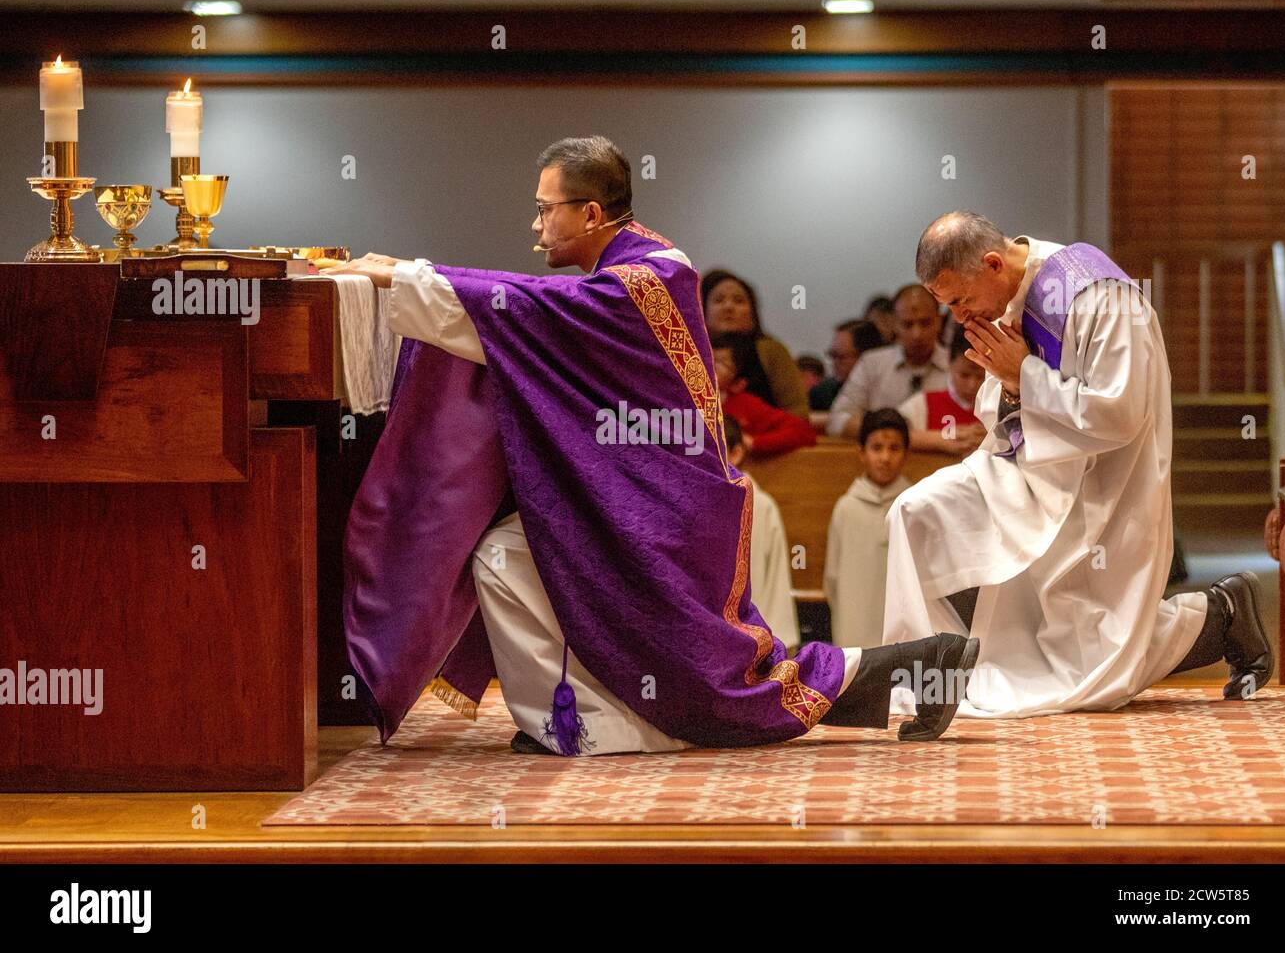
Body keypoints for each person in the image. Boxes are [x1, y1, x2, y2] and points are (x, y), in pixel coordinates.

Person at [329, 136, 980, 754]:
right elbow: (540, 313)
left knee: (716, 677)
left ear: (588, 213)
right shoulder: (633, 271)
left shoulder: (644, 279)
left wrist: (411, 278)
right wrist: (417, 279)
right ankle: (924, 662)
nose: (534, 225)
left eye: (542, 210)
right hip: (645, 495)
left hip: (662, 509)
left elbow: (530, 312)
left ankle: (584, 726)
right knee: (509, 555)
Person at [882, 210, 1272, 720]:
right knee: (912, 514)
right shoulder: (1005, 299)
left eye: (958, 300)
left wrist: (1021, 374)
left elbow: (1120, 413)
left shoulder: (1098, 296)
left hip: (1102, 482)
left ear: (994, 264)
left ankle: (1219, 615)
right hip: (1026, 466)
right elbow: (997, 402)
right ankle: (929, 679)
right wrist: (1011, 382)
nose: (958, 317)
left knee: (1092, 661)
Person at [825, 409, 912, 650]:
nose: (885, 457)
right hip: (855, 632)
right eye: (877, 448)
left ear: (906, 454)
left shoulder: (915, 506)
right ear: (861, 453)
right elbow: (832, 580)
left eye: (894, 448)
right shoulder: (846, 508)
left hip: (905, 635)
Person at [826, 284, 949, 440]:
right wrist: (885, 432)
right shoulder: (872, 363)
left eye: (925, 323)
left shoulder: (957, 366)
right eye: (907, 324)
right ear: (894, 324)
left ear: (939, 321)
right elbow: (837, 420)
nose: (917, 334)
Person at [723, 416, 800, 650]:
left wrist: (778, 642)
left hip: (755, 643)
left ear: (735, 454)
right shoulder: (690, 503)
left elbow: (777, 578)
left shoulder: (763, 506)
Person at [701, 269, 810, 419]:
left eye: (739, 301)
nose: (728, 307)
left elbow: (798, 412)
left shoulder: (771, 350)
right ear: (702, 309)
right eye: (718, 300)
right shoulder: (689, 350)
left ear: (753, 312)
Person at [713, 331, 817, 458]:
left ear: (738, 382)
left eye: (719, 362)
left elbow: (803, 432)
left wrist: (753, 443)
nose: (707, 366)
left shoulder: (745, 404)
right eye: (703, 357)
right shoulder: (683, 403)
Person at [896, 329, 987, 456]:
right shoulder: (924, 403)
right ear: (949, 363)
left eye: (980, 377)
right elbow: (890, 434)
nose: (972, 385)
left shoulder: (1001, 407)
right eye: (964, 375)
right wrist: (940, 440)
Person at [809, 319, 880, 411]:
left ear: (865, 357)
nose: (834, 362)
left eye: (841, 357)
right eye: (832, 355)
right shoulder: (821, 394)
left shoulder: (885, 388)